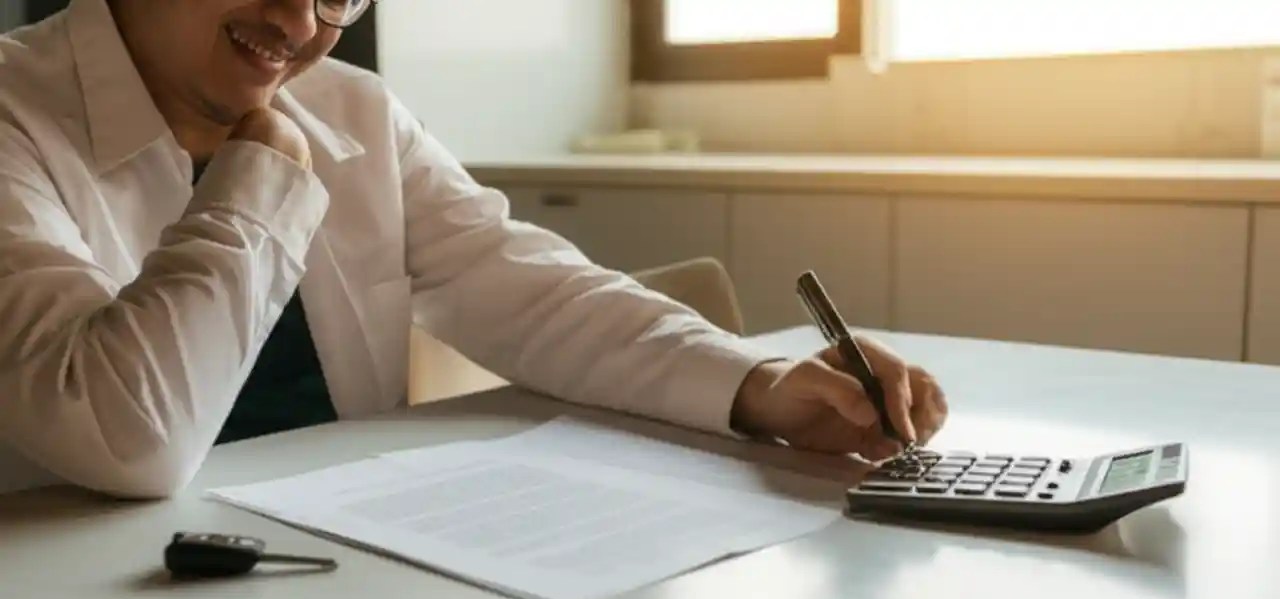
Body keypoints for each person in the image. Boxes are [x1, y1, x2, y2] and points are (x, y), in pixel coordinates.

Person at [0, 0, 949, 499]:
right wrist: (262, 172)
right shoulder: (15, 114)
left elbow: (531, 289)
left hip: (337, 572)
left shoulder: (357, 112)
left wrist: (760, 383)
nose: (296, 24)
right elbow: (127, 438)